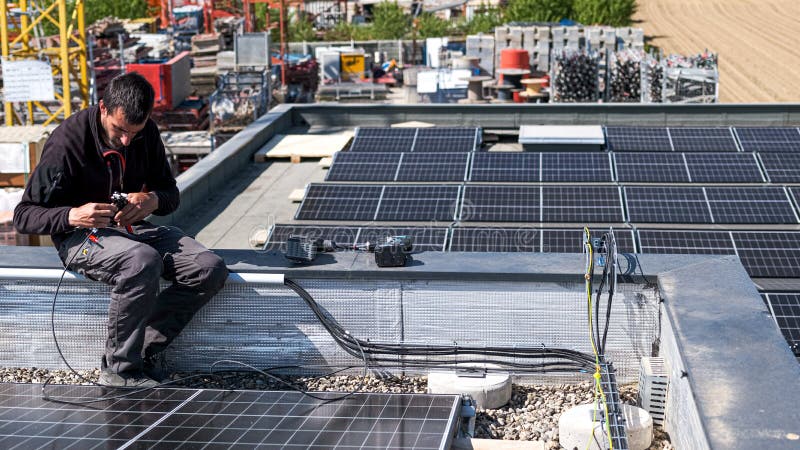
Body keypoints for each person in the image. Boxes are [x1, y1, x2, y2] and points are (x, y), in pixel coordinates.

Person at [13, 73, 228, 388]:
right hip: (79, 236)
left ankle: (143, 352)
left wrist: (150, 201)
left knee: (209, 268)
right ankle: (120, 370)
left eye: (134, 133)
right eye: (120, 131)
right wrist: (73, 215)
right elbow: (25, 215)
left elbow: (170, 195)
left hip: (131, 228)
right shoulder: (66, 142)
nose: (127, 140)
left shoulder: (146, 133)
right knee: (140, 261)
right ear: (102, 108)